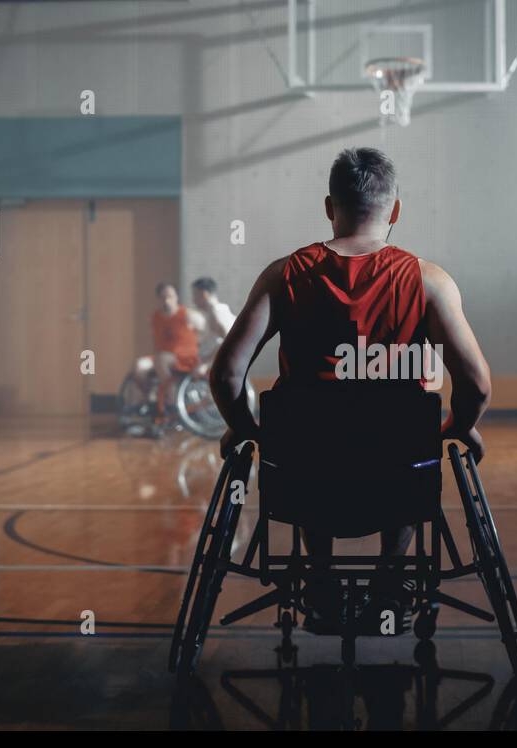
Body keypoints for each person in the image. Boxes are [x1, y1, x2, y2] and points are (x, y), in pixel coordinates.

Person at [208, 147, 491, 624]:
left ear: (328, 206)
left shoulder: (283, 275)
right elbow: (477, 385)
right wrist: (458, 426)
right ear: (395, 210)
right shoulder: (429, 281)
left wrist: (247, 428)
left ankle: (318, 578)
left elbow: (225, 375)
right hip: (395, 484)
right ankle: (389, 578)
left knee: (309, 437)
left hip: (306, 481)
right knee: (408, 439)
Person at [133, 282, 206, 420]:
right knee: (139, 366)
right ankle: (149, 398)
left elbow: (205, 331)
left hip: (184, 356)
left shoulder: (188, 315)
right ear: (158, 299)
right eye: (163, 297)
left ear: (176, 297)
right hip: (163, 356)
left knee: (161, 358)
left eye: (170, 296)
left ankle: (172, 400)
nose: (166, 300)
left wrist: (198, 346)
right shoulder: (155, 317)